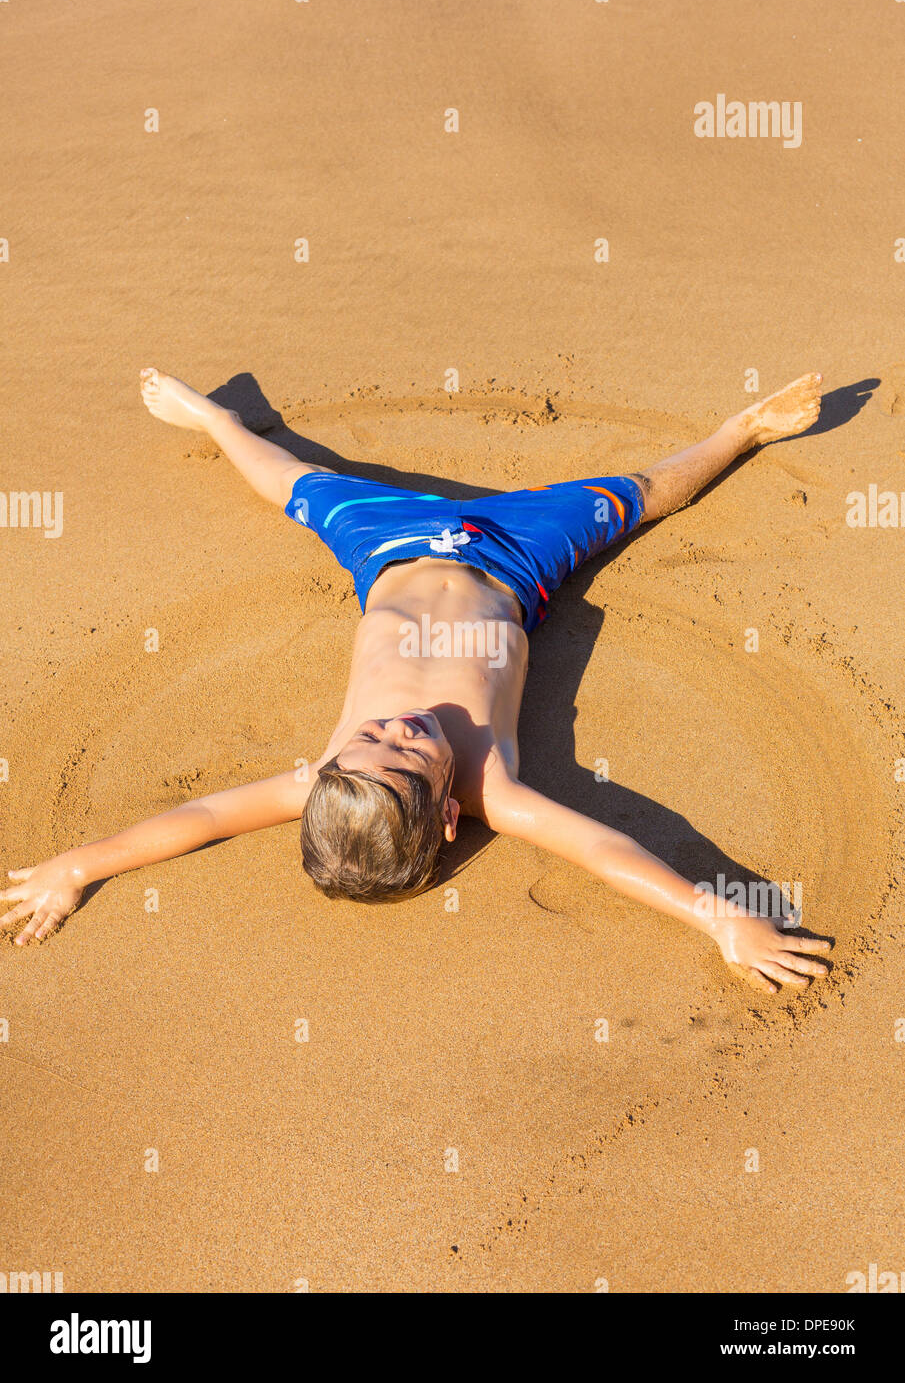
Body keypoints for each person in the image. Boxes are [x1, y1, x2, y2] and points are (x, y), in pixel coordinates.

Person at [1, 368, 831, 994]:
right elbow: (602, 850)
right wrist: (716, 917)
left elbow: (203, 816)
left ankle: (217, 420)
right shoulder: (492, 790)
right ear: (445, 814)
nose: (394, 729)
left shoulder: (329, 780)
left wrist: (77, 865)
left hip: (386, 550)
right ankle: (741, 430)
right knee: (642, 498)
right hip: (515, 559)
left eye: (368, 741)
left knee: (291, 485)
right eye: (405, 754)